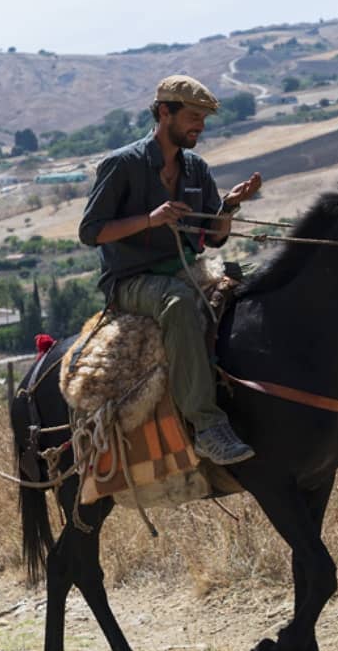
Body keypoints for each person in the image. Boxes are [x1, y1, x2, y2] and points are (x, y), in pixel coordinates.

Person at [78, 75, 262, 465]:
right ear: (165, 113)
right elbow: (90, 231)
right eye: (193, 116)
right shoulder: (122, 164)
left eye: (204, 119)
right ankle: (206, 426)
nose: (200, 126)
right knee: (177, 303)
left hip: (189, 267)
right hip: (132, 281)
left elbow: (213, 240)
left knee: (255, 281)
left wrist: (228, 207)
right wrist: (150, 219)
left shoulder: (197, 169)